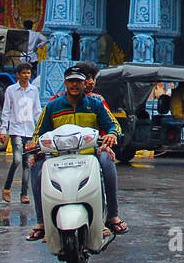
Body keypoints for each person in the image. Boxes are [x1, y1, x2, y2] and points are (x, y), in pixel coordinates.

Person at [26, 69, 127, 242]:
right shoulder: (53, 106)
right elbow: (38, 133)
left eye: (78, 81)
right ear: (65, 84)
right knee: (36, 166)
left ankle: (112, 215)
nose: (74, 85)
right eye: (71, 81)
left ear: (84, 84)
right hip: (58, 156)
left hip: (90, 154)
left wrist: (111, 135)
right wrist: (35, 146)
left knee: (108, 161)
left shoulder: (95, 104)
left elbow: (114, 125)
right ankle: (42, 222)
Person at [0, 61, 41, 204]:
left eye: (28, 73)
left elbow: (37, 111)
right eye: (23, 73)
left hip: (29, 131)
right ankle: (6, 189)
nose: (26, 75)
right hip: (16, 129)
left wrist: (41, 128)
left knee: (27, 163)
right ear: (18, 75)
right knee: (17, 159)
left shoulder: (34, 91)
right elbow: (6, 111)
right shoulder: (11, 90)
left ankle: (24, 194)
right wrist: (3, 129)